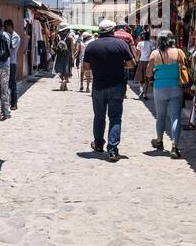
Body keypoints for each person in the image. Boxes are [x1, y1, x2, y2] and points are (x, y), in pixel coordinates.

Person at [84, 19, 135, 162]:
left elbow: (86, 67)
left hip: (98, 86)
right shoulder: (121, 44)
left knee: (99, 116)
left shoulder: (91, 46)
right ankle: (113, 150)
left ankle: (98, 144)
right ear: (113, 30)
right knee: (115, 118)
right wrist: (119, 64)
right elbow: (131, 65)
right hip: (117, 86)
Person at [147, 29, 189, 158]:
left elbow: (148, 74)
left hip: (159, 88)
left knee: (160, 116)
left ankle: (159, 141)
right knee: (175, 117)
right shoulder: (179, 52)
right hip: (176, 88)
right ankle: (175, 146)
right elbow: (185, 67)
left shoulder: (154, 54)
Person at [4, 18, 21, 110]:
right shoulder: (6, 35)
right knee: (5, 84)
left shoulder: (15, 37)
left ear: (10, 27)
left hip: (12, 63)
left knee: (12, 83)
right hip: (5, 62)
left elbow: (11, 46)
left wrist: (6, 37)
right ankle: (6, 103)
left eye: (6, 28)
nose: (5, 30)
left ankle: (14, 102)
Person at [54, 24, 76, 91]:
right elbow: (72, 48)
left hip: (59, 54)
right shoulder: (70, 37)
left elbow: (54, 45)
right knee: (67, 68)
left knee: (60, 68)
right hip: (67, 54)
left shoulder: (57, 36)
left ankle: (64, 84)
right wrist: (73, 56)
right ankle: (65, 81)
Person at [135, 30, 155, 100]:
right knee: (147, 79)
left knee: (140, 78)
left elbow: (138, 53)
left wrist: (137, 60)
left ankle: (141, 90)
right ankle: (144, 94)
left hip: (141, 61)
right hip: (148, 62)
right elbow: (152, 54)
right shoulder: (151, 43)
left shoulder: (139, 43)